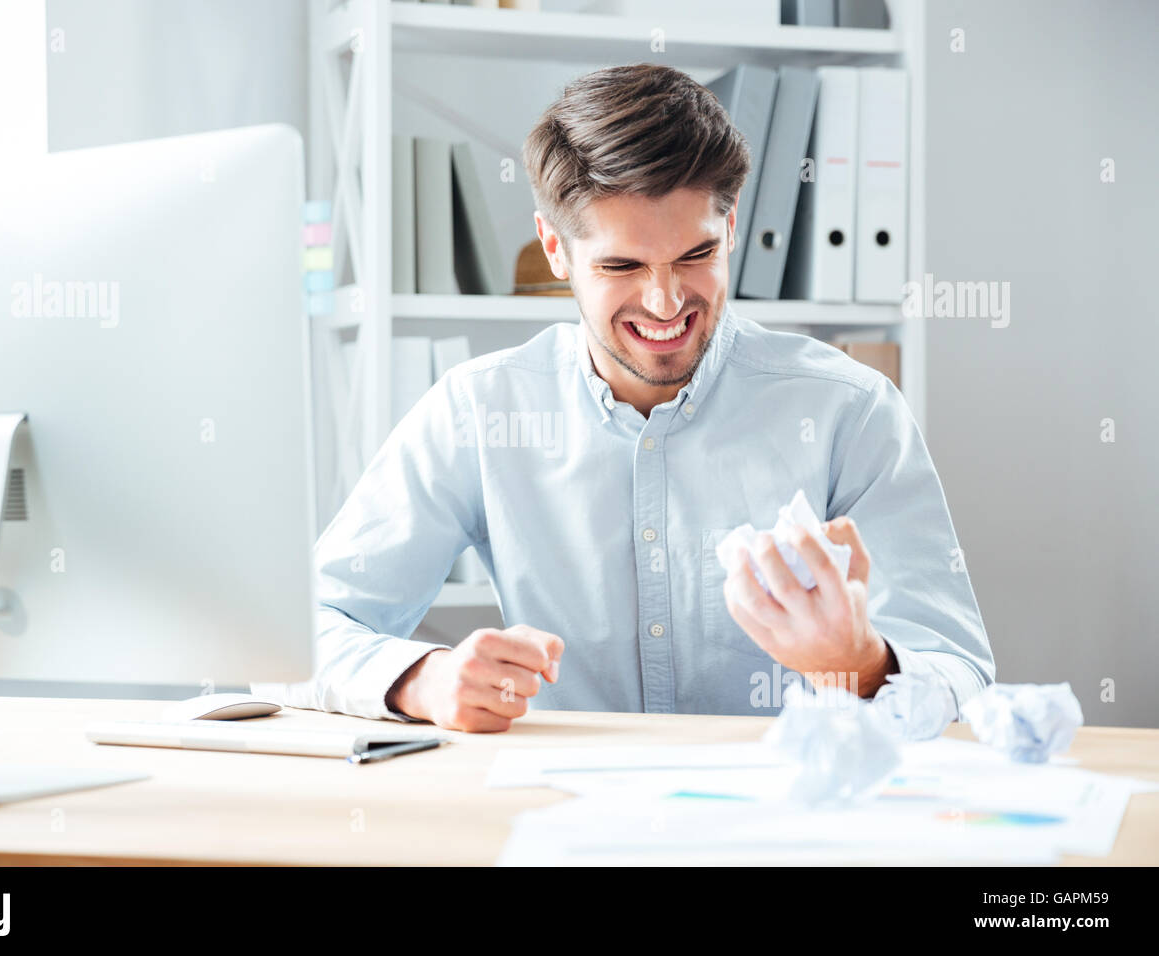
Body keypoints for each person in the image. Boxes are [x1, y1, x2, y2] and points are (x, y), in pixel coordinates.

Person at [295, 63, 994, 732]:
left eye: (695, 255)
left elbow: (958, 668)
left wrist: (860, 665)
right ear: (556, 249)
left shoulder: (851, 411)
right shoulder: (482, 411)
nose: (665, 302)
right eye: (621, 265)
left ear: (732, 225)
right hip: (561, 820)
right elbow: (307, 627)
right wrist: (425, 679)